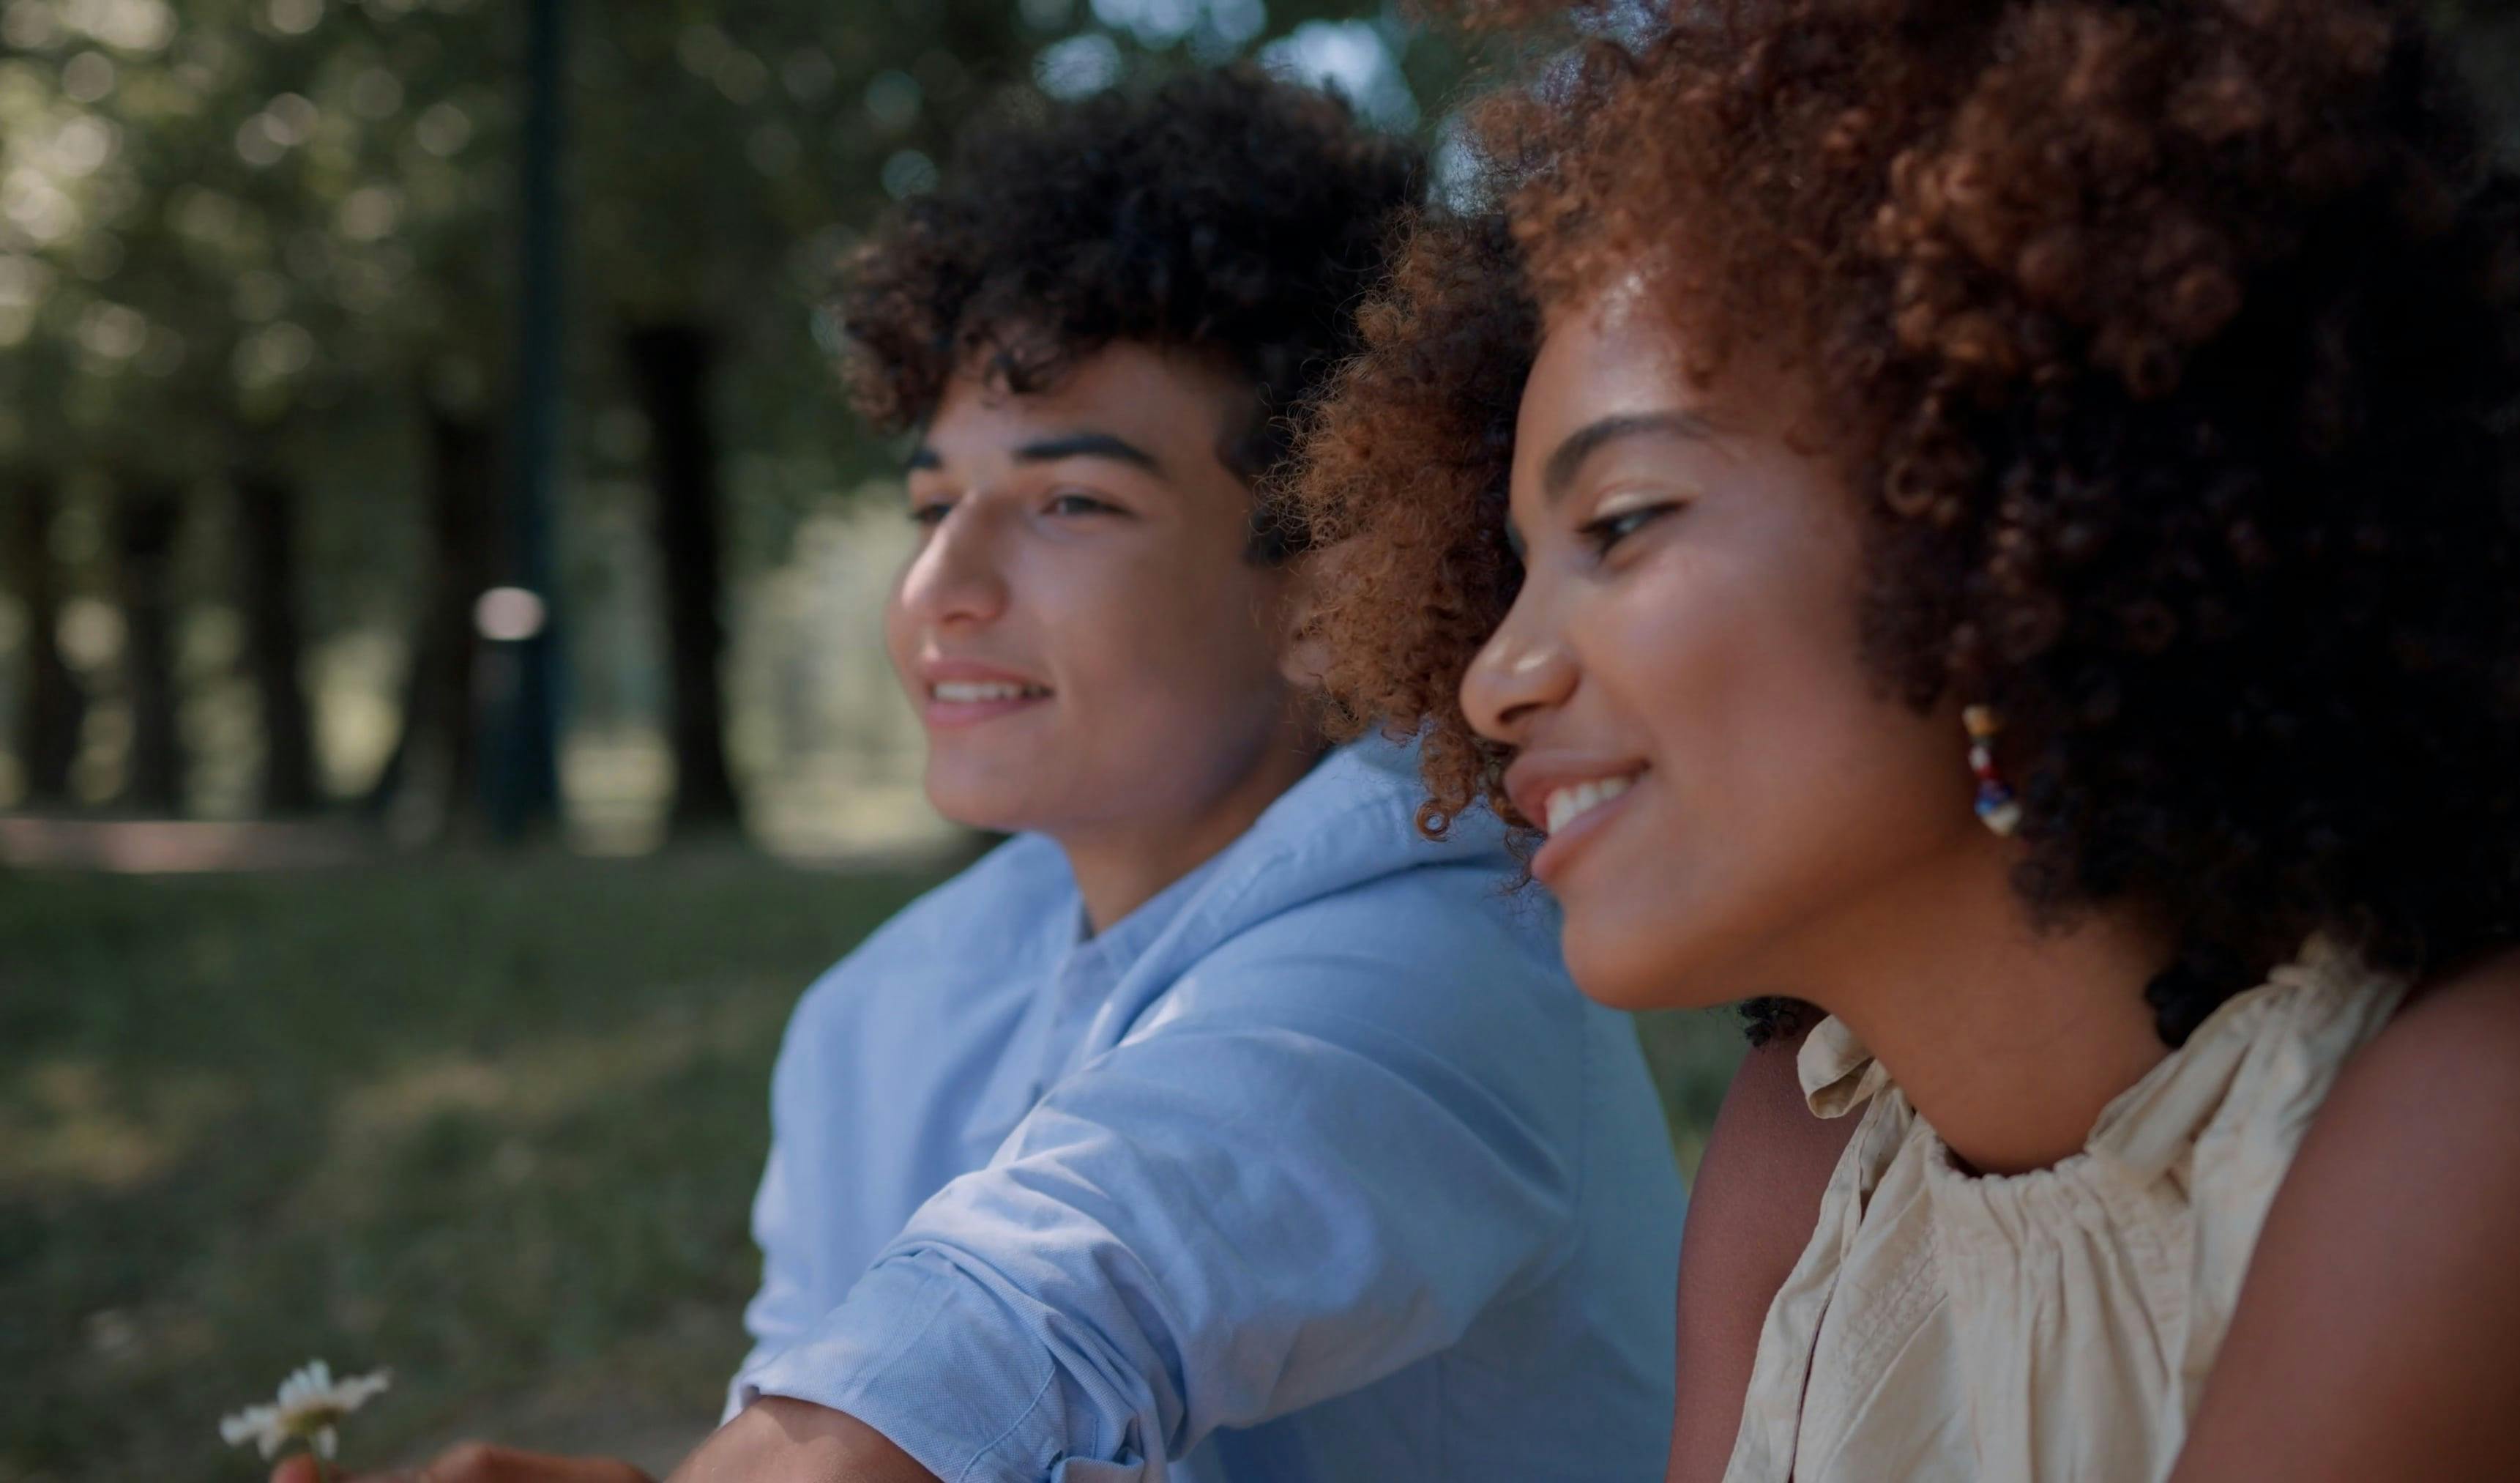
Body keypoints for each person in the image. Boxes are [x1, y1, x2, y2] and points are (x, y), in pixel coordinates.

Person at [1288, 1, 2520, 1479]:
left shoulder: (2519, 1115)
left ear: (2006, 526)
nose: (1496, 676)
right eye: (1516, 563)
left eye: (1620, 523)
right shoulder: (1814, 1161)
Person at [285, 68, 1684, 1483]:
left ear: (1336, 585)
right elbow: (854, 1410)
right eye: (934, 503)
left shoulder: (1450, 956)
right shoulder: (883, 1012)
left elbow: (1052, 1305)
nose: (942, 585)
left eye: (1072, 501)